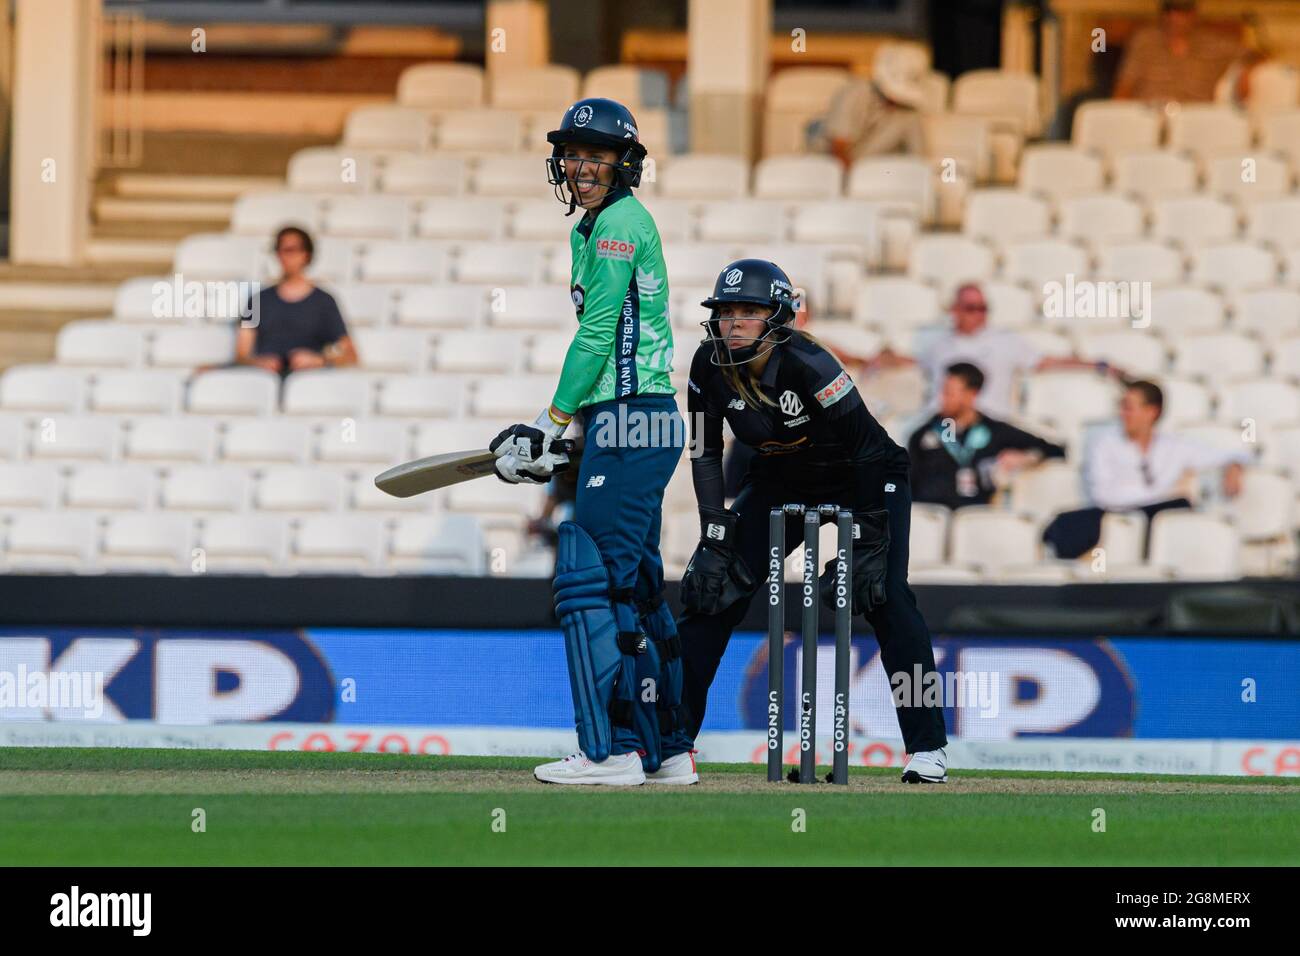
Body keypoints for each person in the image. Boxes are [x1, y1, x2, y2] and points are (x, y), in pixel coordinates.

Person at [671, 259, 950, 784]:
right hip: (782, 474)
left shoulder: (812, 363)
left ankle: (928, 747)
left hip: (865, 474)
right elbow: (706, 452)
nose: (732, 323)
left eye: (747, 312)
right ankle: (671, 742)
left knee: (887, 595)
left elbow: (867, 447)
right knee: (714, 590)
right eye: (725, 311)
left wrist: (867, 536)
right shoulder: (707, 364)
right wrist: (714, 531)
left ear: (778, 317)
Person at [488, 97, 692, 787]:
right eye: (574, 153)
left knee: (596, 579)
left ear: (625, 162)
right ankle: (668, 750)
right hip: (632, 418)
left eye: (596, 154)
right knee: (635, 584)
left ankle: (615, 750)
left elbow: (599, 335)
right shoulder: (598, 225)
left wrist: (549, 424)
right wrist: (569, 431)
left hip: (634, 416)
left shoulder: (619, 226)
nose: (581, 165)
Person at [1042, 380, 1248, 558]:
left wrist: (1234, 466)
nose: (1123, 414)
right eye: (1123, 407)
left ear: (1151, 412)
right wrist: (1160, 497)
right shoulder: (1105, 444)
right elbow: (1104, 497)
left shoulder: (1173, 446)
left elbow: (1235, 453)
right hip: (1120, 525)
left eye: (1129, 408)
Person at [872, 282, 1125, 420]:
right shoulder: (939, 344)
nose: (979, 314)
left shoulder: (1005, 341)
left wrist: (1096, 365)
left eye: (983, 308)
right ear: (955, 310)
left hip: (988, 424)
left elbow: (1045, 362)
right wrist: (880, 357)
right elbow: (914, 361)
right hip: (943, 424)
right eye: (972, 308)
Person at [909, 363, 1066, 510]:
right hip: (930, 517)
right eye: (943, 391)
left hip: (974, 517)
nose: (943, 399)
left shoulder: (994, 431)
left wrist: (1025, 457)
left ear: (972, 394)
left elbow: (1055, 450)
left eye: (950, 393)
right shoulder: (923, 434)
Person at [237, 226, 357, 375]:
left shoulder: (324, 302)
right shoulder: (257, 300)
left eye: (291, 250)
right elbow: (241, 354)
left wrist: (319, 360)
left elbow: (351, 355)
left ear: (306, 254)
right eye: (280, 249)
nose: (284, 256)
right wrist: (259, 362)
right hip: (265, 380)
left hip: (309, 383)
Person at [816, 42, 927, 169]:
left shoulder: (909, 115)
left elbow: (919, 159)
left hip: (871, 176)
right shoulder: (854, 93)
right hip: (827, 171)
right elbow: (838, 149)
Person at [1113, 0, 1248, 104]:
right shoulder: (1145, 41)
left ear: (1193, 14)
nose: (1175, 18)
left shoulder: (1214, 43)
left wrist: (1247, 73)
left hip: (1196, 120)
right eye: (1170, 11)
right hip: (1150, 118)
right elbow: (1125, 85)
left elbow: (1252, 55)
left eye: (1182, 12)